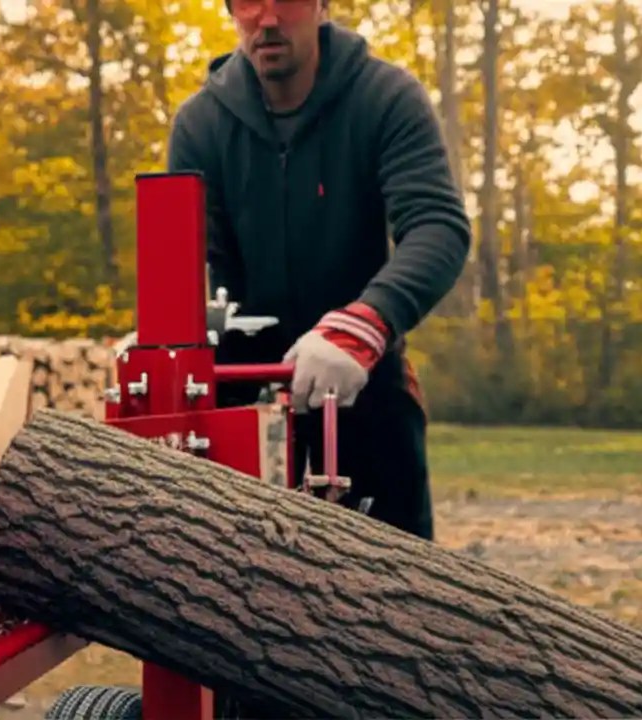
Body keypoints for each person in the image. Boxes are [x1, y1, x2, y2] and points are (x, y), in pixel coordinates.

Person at [167, 0, 471, 540]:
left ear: (322, 6)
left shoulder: (386, 98)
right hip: (242, 405)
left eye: (286, 1)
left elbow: (437, 225)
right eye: (248, 4)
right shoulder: (200, 124)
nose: (266, 20)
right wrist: (173, 335)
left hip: (365, 391)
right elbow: (198, 264)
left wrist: (365, 324)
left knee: (397, 603)